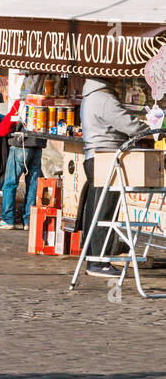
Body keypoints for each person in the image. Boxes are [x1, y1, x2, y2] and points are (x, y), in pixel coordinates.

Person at [79, 77, 151, 276]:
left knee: (96, 209)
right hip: (105, 158)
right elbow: (128, 124)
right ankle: (100, 260)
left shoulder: (91, 96)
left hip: (95, 157)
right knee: (105, 211)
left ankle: (92, 257)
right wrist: (151, 130)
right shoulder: (104, 99)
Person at [0, 73, 45, 232]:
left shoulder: (23, 100)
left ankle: (8, 219)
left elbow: (8, 123)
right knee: (32, 185)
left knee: (10, 183)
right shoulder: (42, 99)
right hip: (38, 145)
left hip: (21, 145)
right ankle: (29, 220)